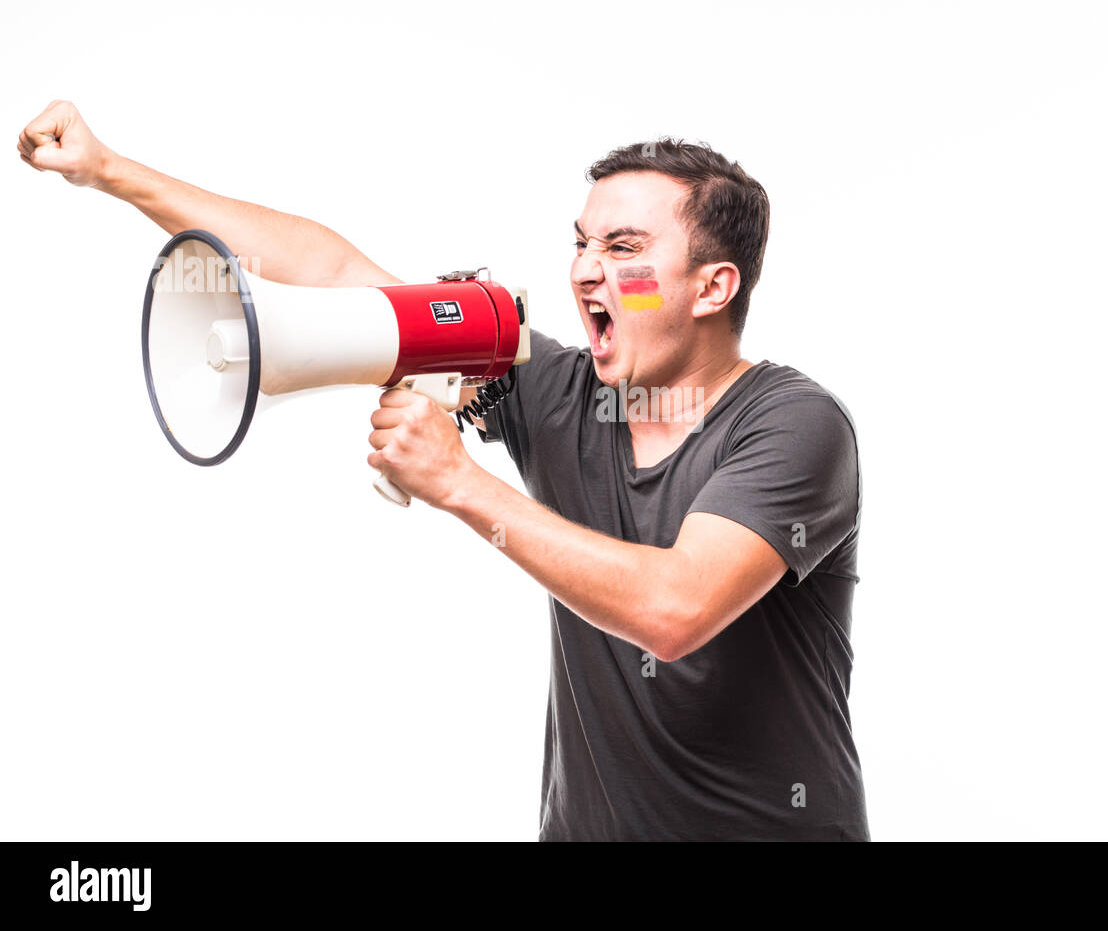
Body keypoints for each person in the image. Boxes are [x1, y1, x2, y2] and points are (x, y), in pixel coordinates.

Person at [18, 100, 870, 841]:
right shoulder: (557, 392)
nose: (586, 269)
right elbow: (338, 278)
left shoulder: (795, 425)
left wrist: (459, 481)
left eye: (624, 248)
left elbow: (675, 610)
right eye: (581, 243)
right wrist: (109, 171)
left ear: (712, 288)